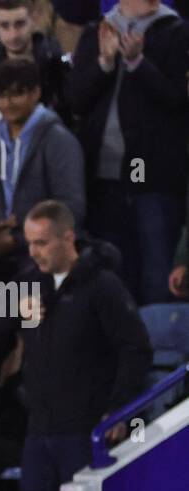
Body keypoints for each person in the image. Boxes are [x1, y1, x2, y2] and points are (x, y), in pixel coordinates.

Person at [0, 201, 152, 491]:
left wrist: (117, 412)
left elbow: (136, 349)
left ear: (68, 239)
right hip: (39, 431)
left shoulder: (102, 286)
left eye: (42, 242)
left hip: (85, 431)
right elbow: (26, 342)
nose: (34, 252)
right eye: (29, 243)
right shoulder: (29, 285)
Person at [69, 0, 189, 305]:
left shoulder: (176, 32)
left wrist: (138, 64)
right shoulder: (97, 31)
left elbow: (177, 101)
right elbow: (75, 101)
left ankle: (160, 351)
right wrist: (104, 64)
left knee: (157, 281)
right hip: (101, 182)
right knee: (111, 280)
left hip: (155, 182)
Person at [0, 59, 84, 282]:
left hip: (45, 262)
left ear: (36, 92)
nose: (8, 102)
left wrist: (18, 239)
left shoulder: (59, 140)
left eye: (17, 93)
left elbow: (72, 208)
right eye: (1, 95)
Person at [0, 0, 71, 120]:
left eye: (20, 24)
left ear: (34, 19)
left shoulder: (56, 65)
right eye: (4, 25)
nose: (13, 34)